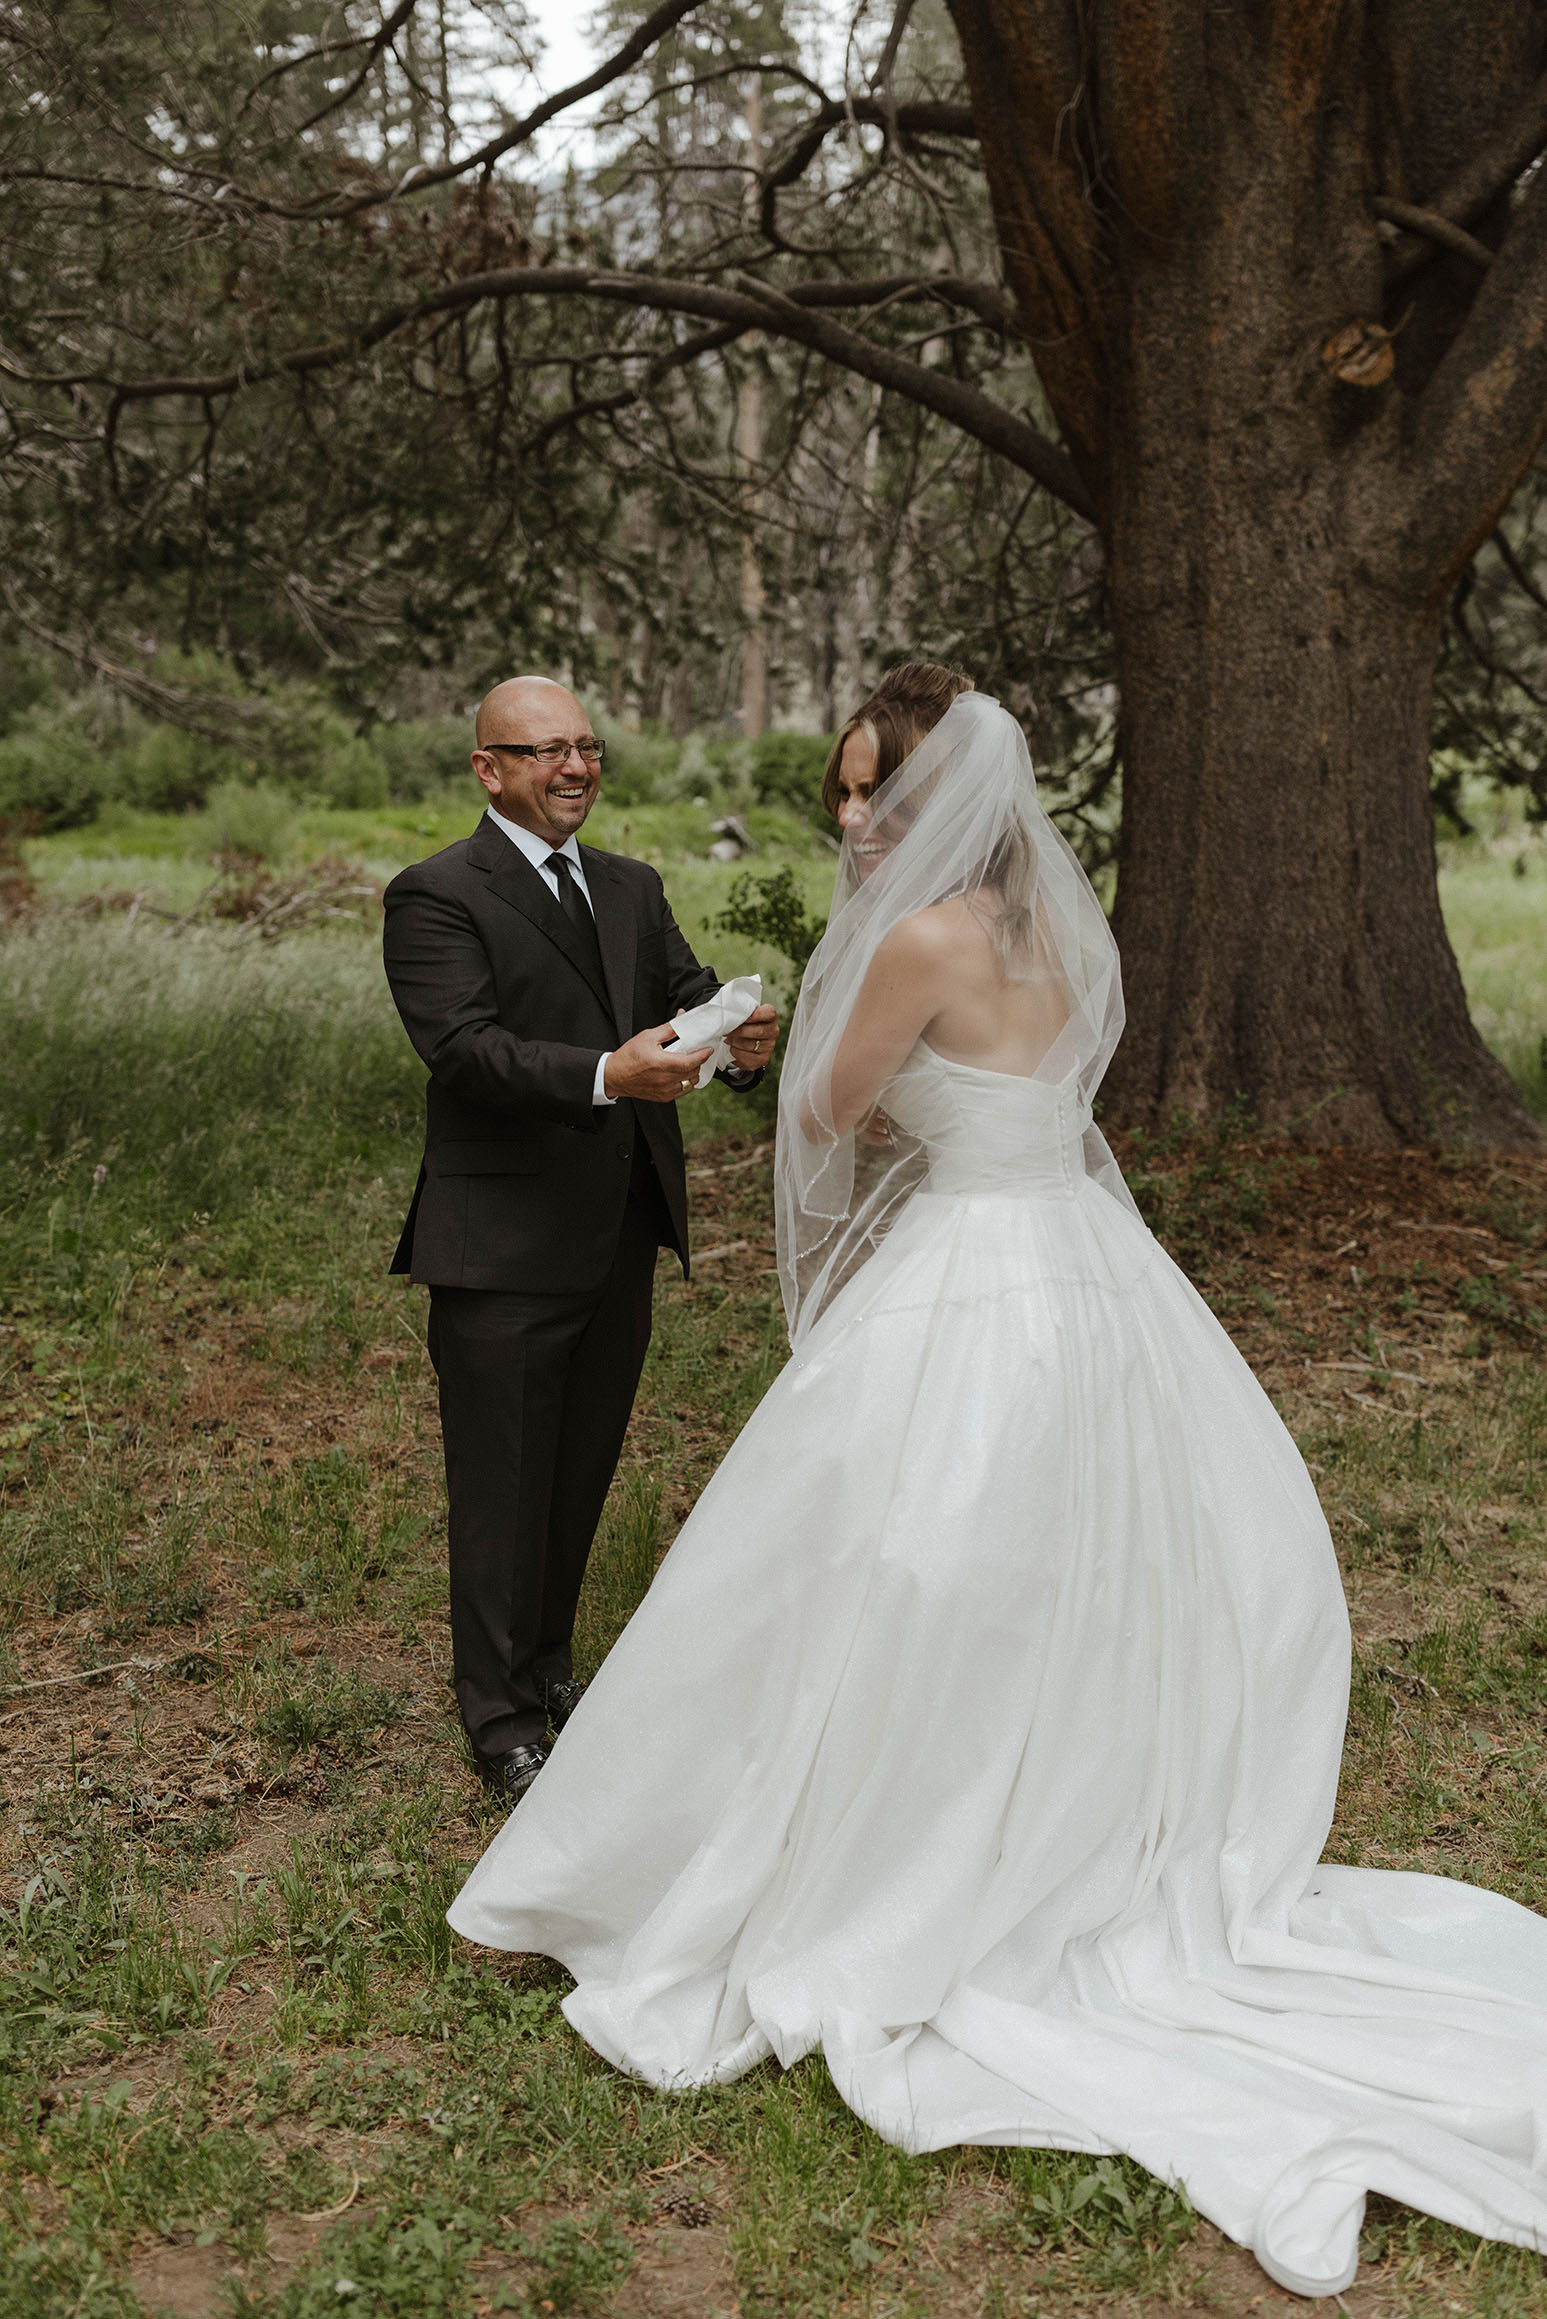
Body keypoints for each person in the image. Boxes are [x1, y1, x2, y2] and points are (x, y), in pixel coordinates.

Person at [446, 679, 1547, 2299]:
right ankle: (1063, 1806)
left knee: (892, 1556)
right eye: (837, 795)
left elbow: (827, 1109)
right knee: (1046, 1565)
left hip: (970, 1273)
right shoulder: (1050, 935)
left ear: (929, 799)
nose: (847, 819)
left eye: (865, 794)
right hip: (1091, 1275)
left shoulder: (914, 942)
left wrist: (805, 1028)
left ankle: (887, 1837)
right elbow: (1046, 1100)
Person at [382, 675, 778, 1805]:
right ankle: (498, 1717)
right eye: (543, 750)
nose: (573, 768)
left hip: (617, 1232)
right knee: (502, 1484)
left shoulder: (632, 885)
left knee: (575, 1472)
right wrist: (608, 1073)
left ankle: (546, 1674)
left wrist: (735, 1039)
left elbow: (684, 994)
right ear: (488, 769)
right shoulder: (436, 895)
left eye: (586, 747)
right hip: (499, 1241)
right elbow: (463, 1048)